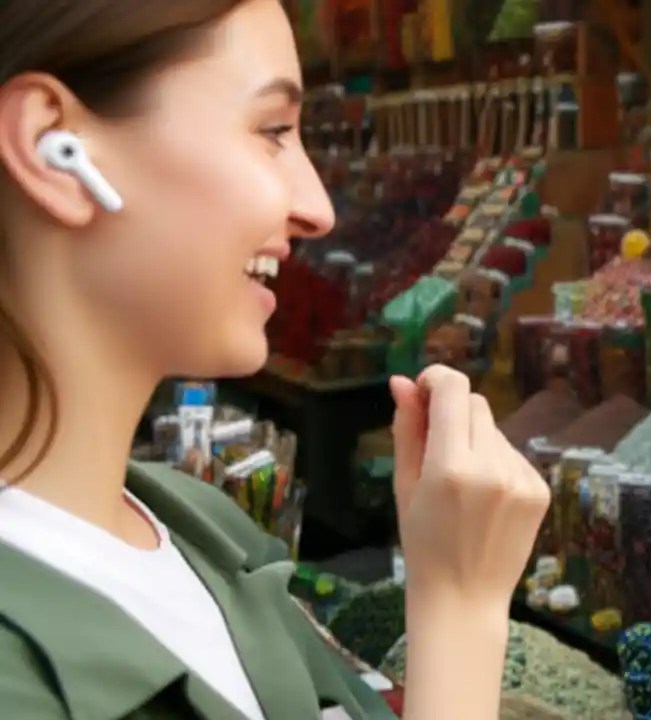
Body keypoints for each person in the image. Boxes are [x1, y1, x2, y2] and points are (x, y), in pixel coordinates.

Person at [0, 1, 546, 719]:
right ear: (54, 149)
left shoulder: (203, 527)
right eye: (272, 131)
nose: (318, 207)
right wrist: (460, 613)